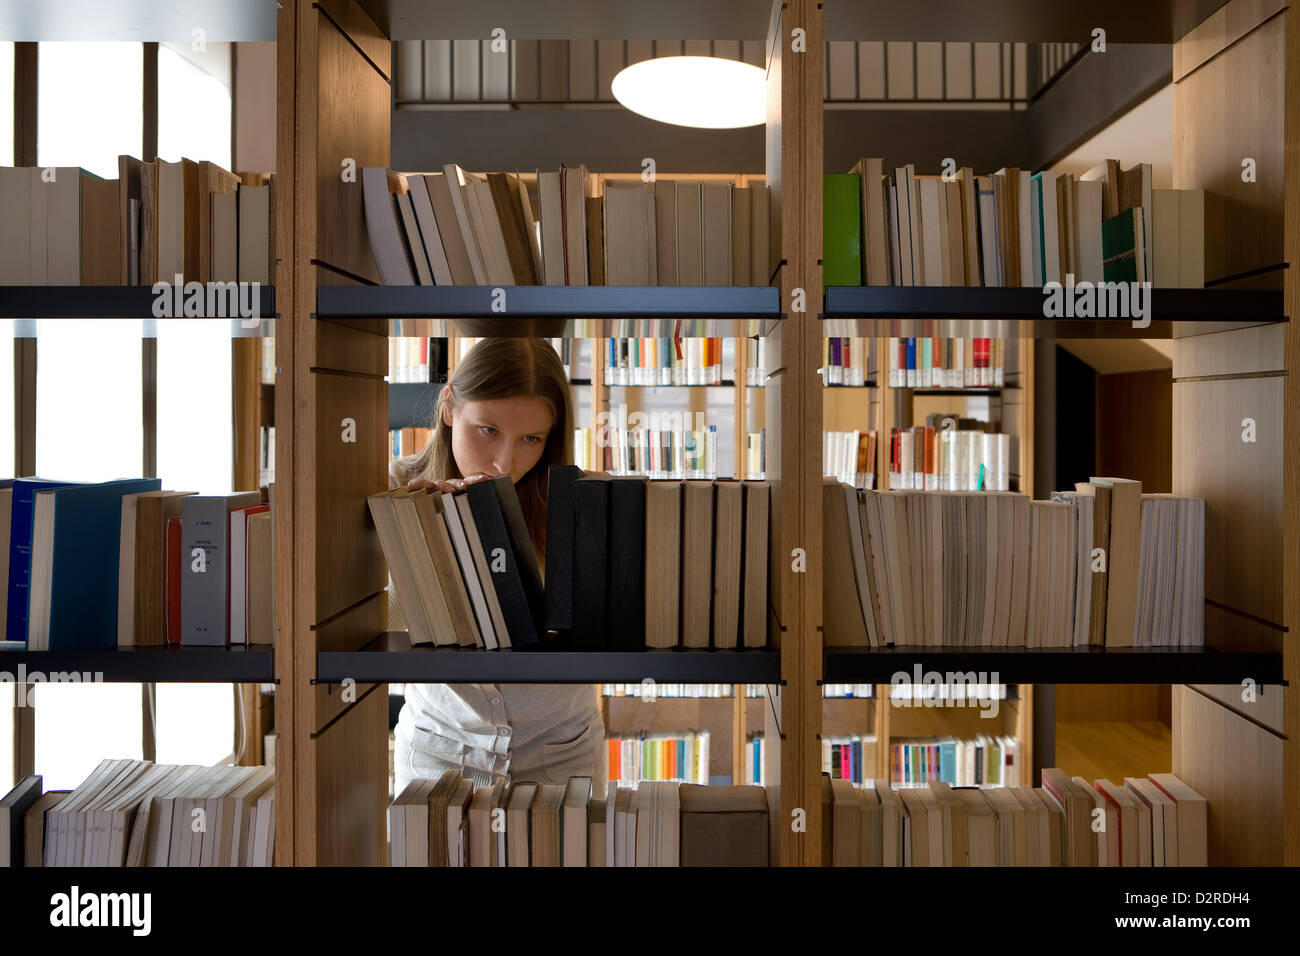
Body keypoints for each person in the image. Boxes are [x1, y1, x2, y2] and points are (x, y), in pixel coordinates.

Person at [389, 337, 607, 797]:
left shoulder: (581, 501)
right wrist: (432, 535)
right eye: (488, 430)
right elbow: (373, 624)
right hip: (441, 748)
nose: (506, 463)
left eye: (531, 439)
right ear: (449, 408)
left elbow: (597, 627)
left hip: (561, 750)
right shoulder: (396, 490)